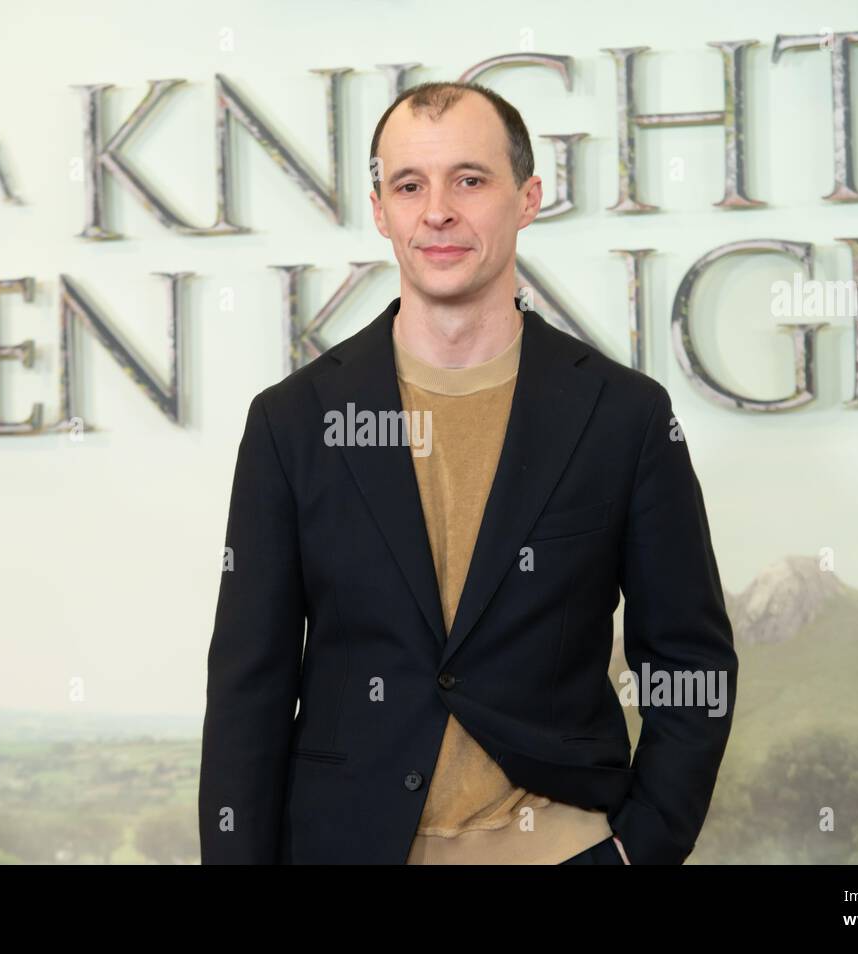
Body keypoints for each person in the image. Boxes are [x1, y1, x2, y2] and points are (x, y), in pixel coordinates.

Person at [199, 80, 737, 864]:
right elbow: (249, 689)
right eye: (410, 185)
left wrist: (635, 851)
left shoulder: (625, 416)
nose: (438, 210)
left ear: (528, 198)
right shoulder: (293, 421)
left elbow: (691, 666)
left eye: (470, 180)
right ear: (381, 210)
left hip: (558, 843)